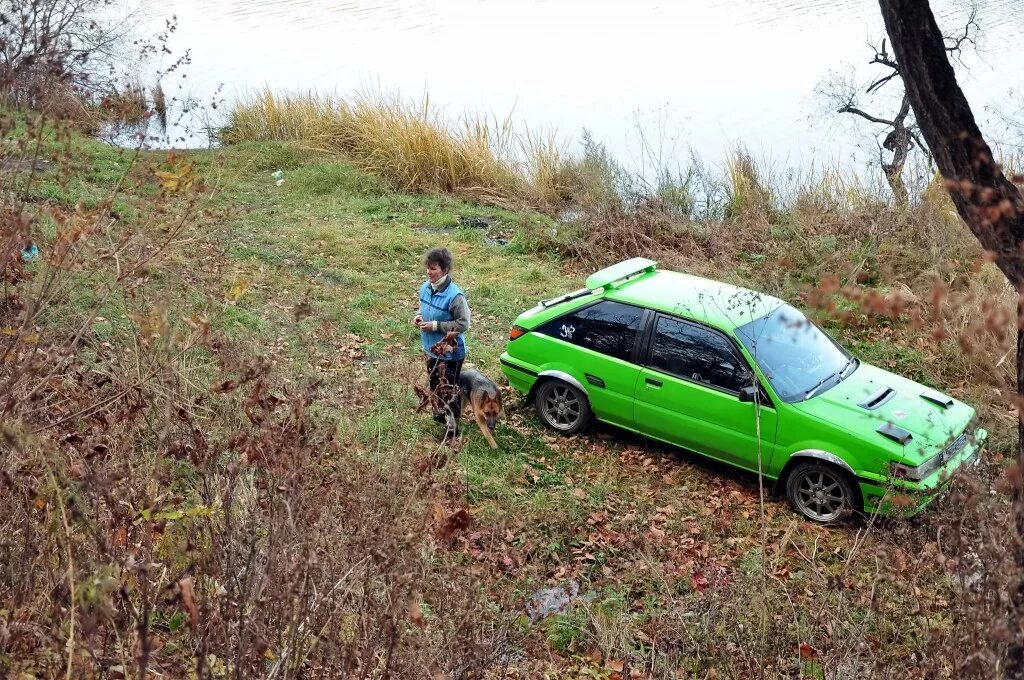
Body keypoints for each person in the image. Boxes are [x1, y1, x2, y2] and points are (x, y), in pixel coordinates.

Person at [413, 247, 471, 440]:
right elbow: (424, 309)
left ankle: (452, 431)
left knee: (449, 392)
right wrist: (419, 317)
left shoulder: (456, 297)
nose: (429, 272)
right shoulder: (425, 287)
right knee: (434, 386)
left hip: (450, 354)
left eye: (434, 269)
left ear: (445, 270)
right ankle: (440, 418)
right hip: (431, 350)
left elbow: (463, 324)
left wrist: (437, 326)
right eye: (428, 269)